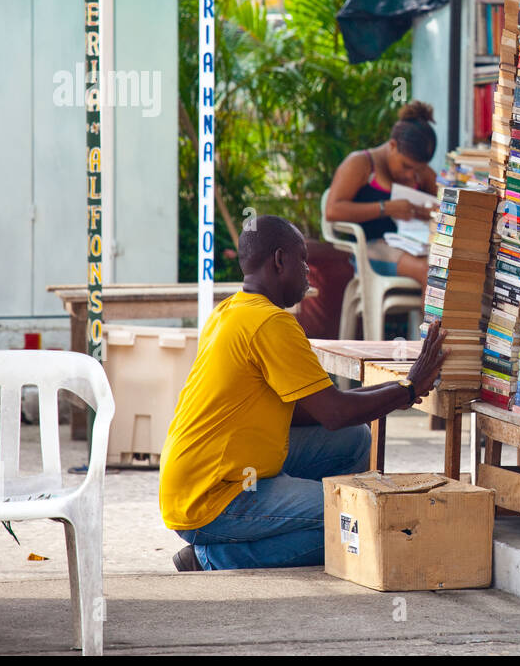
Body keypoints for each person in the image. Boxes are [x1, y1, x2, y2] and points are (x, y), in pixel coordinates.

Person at [159, 214, 449, 571]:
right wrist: (408, 390)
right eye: (302, 260)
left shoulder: (230, 310)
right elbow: (334, 411)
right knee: (350, 519)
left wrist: (400, 388)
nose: (308, 271)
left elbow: (313, 411)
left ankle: (291, 516)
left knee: (354, 440)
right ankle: (214, 556)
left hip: (211, 475)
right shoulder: (272, 323)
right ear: (279, 260)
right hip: (212, 497)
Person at [324, 100, 439, 288]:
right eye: (406, 166)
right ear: (392, 145)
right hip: (368, 250)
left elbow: (446, 208)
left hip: (414, 247)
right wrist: (385, 208)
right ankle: (431, 319)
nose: (411, 174)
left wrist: (431, 212)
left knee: (448, 268)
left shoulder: (422, 173)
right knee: (431, 271)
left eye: (418, 169)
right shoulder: (361, 164)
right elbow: (332, 211)